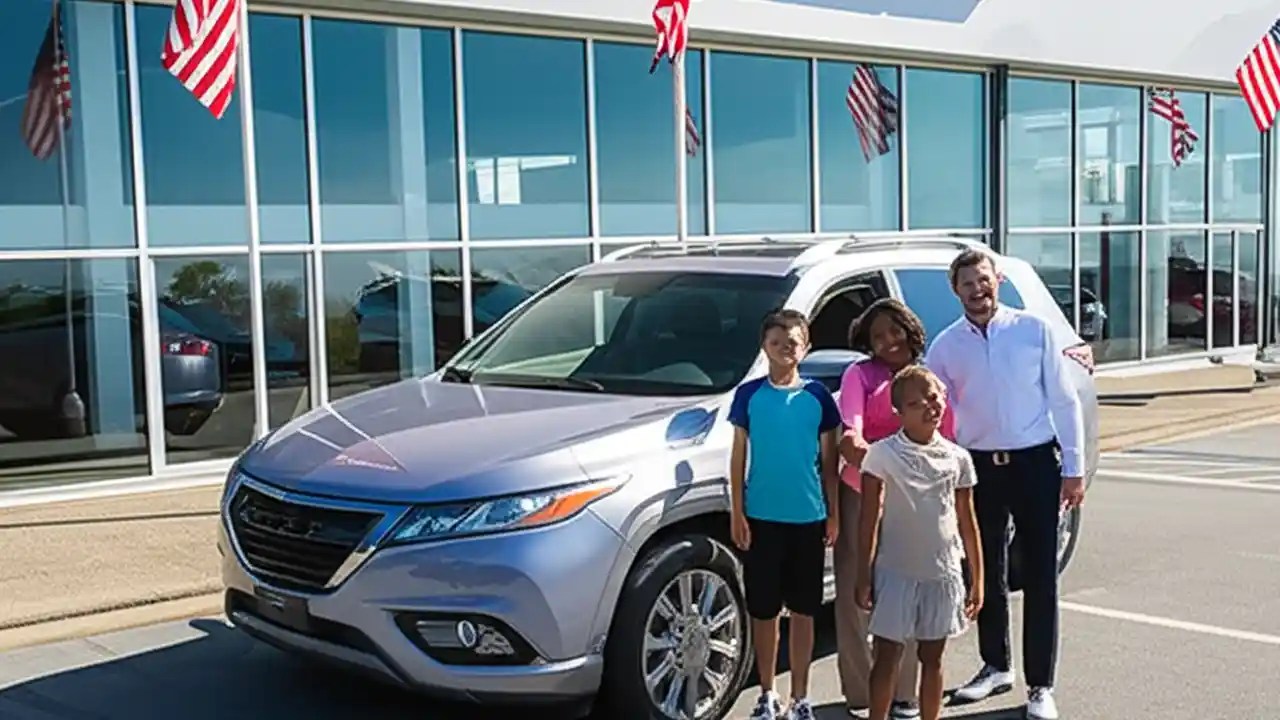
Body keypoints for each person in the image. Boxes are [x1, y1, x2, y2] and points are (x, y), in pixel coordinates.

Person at [924, 248, 1086, 720]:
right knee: (983, 569)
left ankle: (1040, 685)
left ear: (997, 279)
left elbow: (1065, 400)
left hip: (1036, 464)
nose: (977, 290)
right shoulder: (946, 346)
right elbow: (938, 415)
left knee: (1039, 575)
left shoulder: (1034, 331)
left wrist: (1072, 468)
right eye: (966, 284)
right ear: (956, 292)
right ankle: (995, 665)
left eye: (983, 279)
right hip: (978, 469)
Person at [835, 299, 957, 720]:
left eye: (894, 330)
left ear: (910, 328)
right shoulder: (860, 375)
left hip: (916, 502)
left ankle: (903, 695)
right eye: (876, 336)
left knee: (909, 591)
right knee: (857, 591)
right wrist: (875, 459)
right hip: (861, 491)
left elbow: (949, 441)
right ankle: (861, 694)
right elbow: (851, 431)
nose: (887, 341)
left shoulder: (928, 381)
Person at [729, 309, 843, 720]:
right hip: (761, 518)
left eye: (792, 342)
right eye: (776, 342)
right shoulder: (749, 396)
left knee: (804, 610)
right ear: (765, 347)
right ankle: (766, 691)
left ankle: (801, 696)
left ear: (805, 347)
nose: (784, 349)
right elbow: (738, 456)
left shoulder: (818, 398)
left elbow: (829, 463)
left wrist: (833, 515)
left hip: (807, 519)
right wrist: (737, 513)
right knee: (763, 610)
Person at [854, 365, 984, 720]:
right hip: (895, 571)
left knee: (933, 657)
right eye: (915, 403)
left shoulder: (958, 458)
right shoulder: (882, 455)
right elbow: (869, 519)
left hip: (941, 571)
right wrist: (863, 575)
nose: (929, 406)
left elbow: (967, 522)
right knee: (887, 655)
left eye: (933, 397)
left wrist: (977, 576)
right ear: (899, 413)